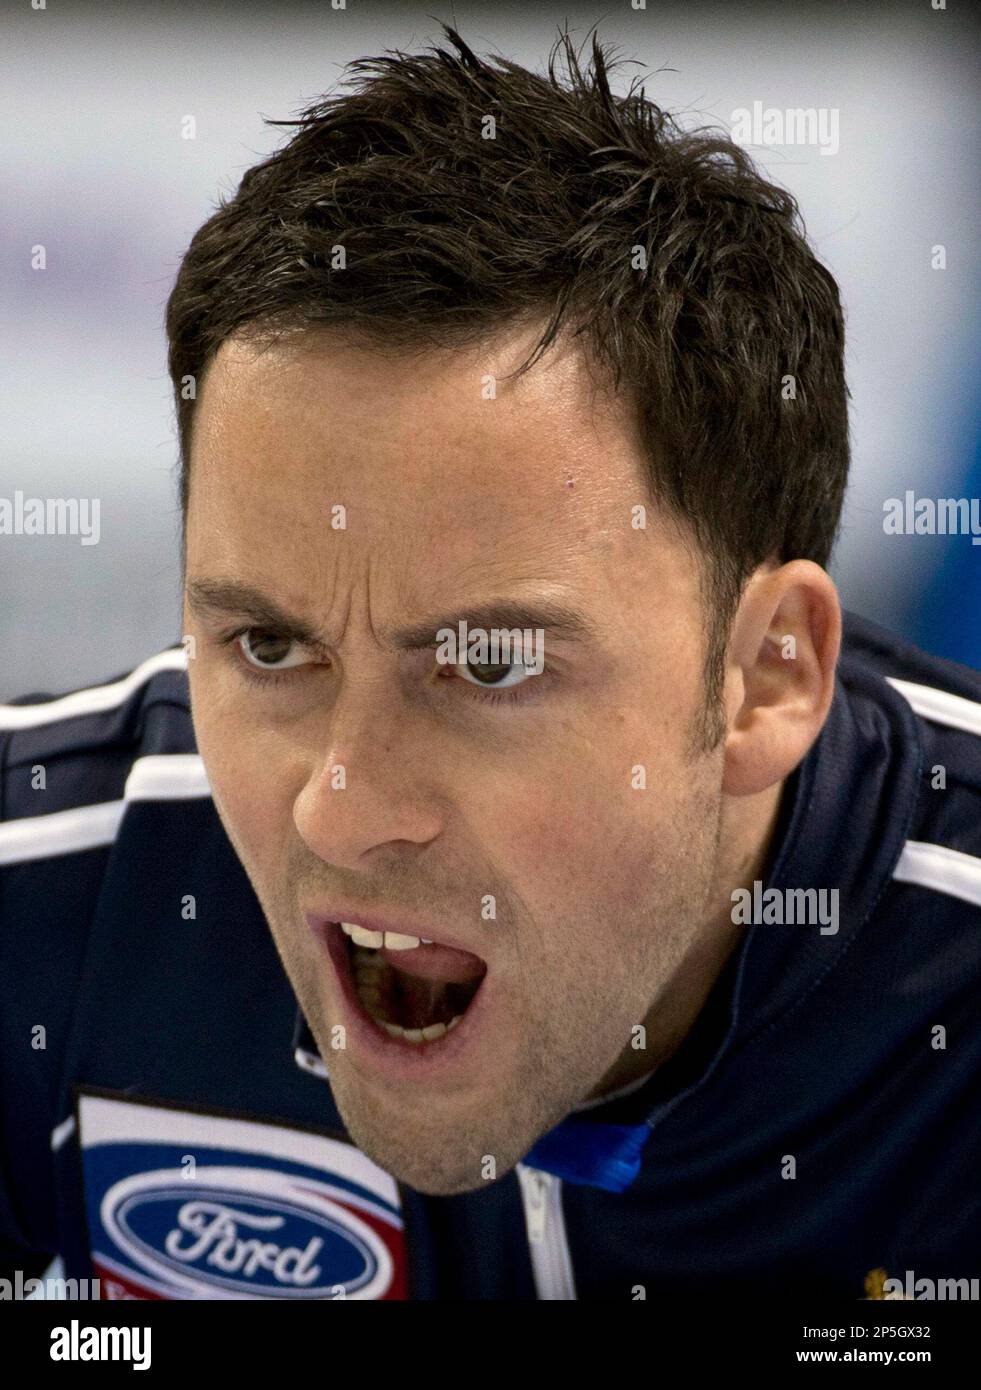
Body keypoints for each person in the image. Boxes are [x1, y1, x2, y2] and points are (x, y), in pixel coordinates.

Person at [2, 26, 979, 1301]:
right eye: (270, 645)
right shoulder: (46, 917)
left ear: (767, 675)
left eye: (489, 666)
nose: (341, 810)